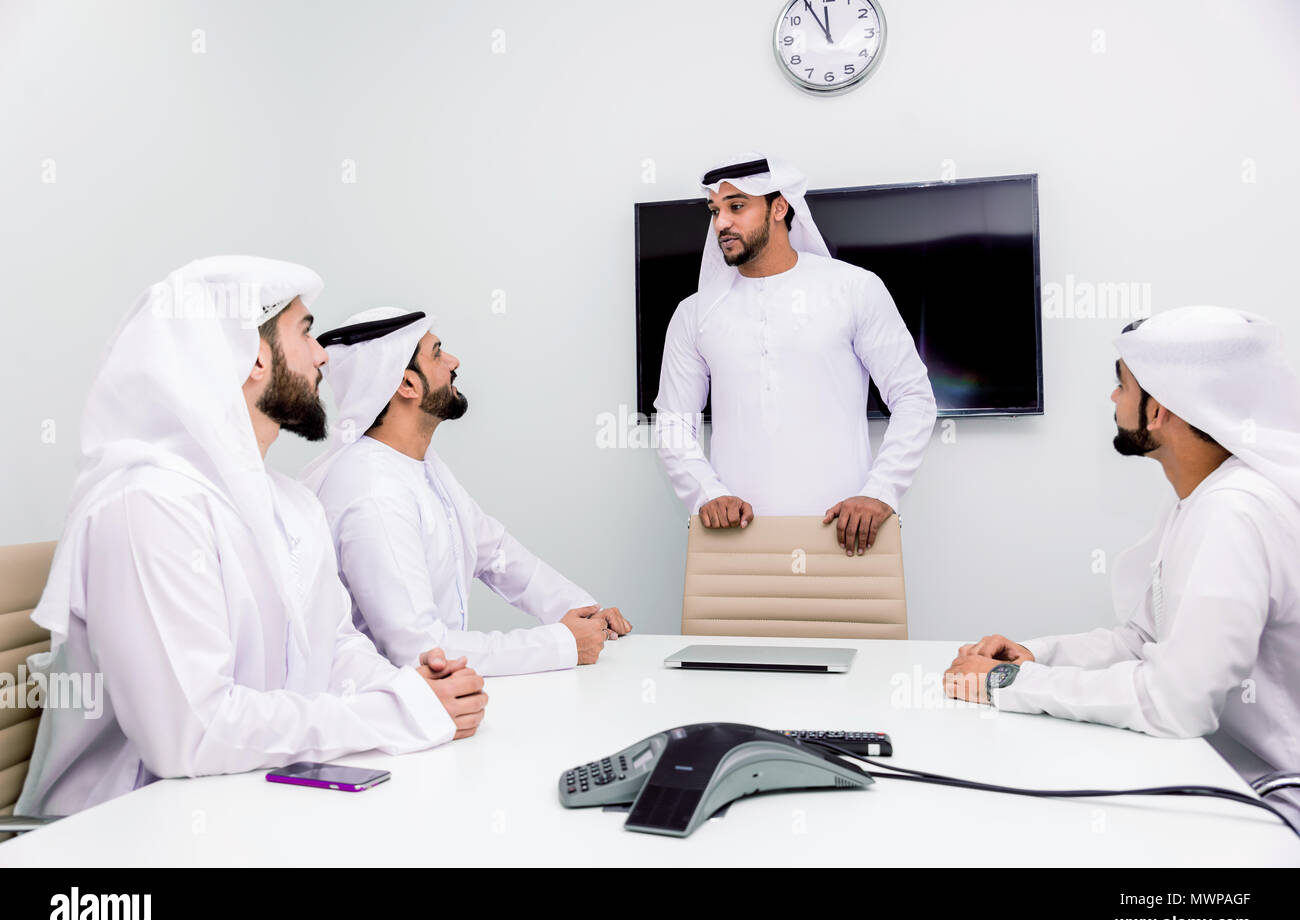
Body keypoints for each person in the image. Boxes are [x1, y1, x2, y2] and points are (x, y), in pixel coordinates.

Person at [15, 258, 486, 818]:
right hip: (119, 834)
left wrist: (412, 687)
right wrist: (400, 711)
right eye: (306, 332)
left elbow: (334, 650)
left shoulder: (291, 503)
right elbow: (190, 733)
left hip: (249, 807)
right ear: (254, 353)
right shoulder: (147, 505)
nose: (322, 356)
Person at [945, 306, 1300, 824]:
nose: (1113, 398)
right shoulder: (1202, 499)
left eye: (1123, 385)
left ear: (1160, 410)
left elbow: (1177, 703)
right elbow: (1142, 642)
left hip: (1267, 810)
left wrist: (1007, 685)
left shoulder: (1233, 512)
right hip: (1211, 778)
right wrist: (1038, 658)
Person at [301, 307, 631, 676]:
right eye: (438, 353)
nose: (454, 361)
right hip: (393, 713)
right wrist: (563, 644)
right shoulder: (373, 492)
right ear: (407, 384)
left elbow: (496, 553)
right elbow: (421, 649)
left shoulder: (420, 466)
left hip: (444, 702)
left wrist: (583, 612)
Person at [654, 153, 937, 555]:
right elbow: (673, 421)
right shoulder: (694, 313)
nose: (721, 223)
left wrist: (880, 492)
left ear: (779, 207)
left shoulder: (854, 288)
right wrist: (706, 495)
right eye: (715, 210)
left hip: (845, 532)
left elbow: (915, 398)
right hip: (733, 538)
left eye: (737, 206)